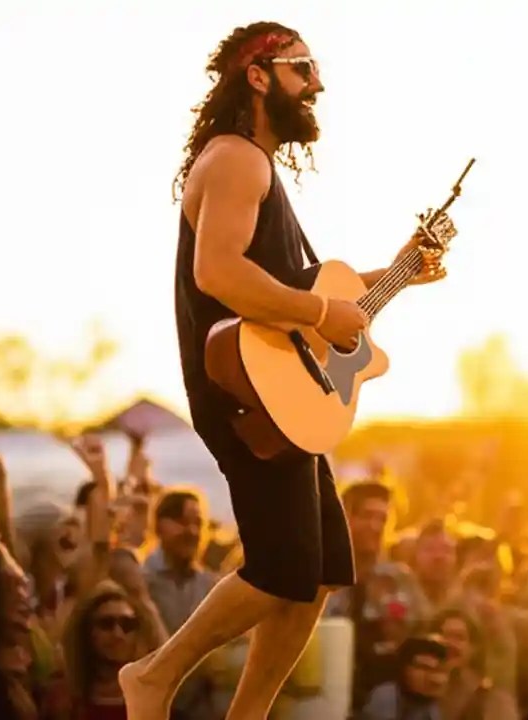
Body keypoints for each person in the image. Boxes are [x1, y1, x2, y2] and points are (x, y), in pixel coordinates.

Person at [120, 20, 446, 719]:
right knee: (282, 568)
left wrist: (398, 272)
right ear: (258, 76)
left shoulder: (255, 168)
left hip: (278, 392)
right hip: (245, 391)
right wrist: (322, 312)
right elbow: (218, 273)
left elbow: (302, 299)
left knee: (320, 571)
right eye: (303, 68)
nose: (317, 84)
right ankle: (152, 676)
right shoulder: (237, 160)